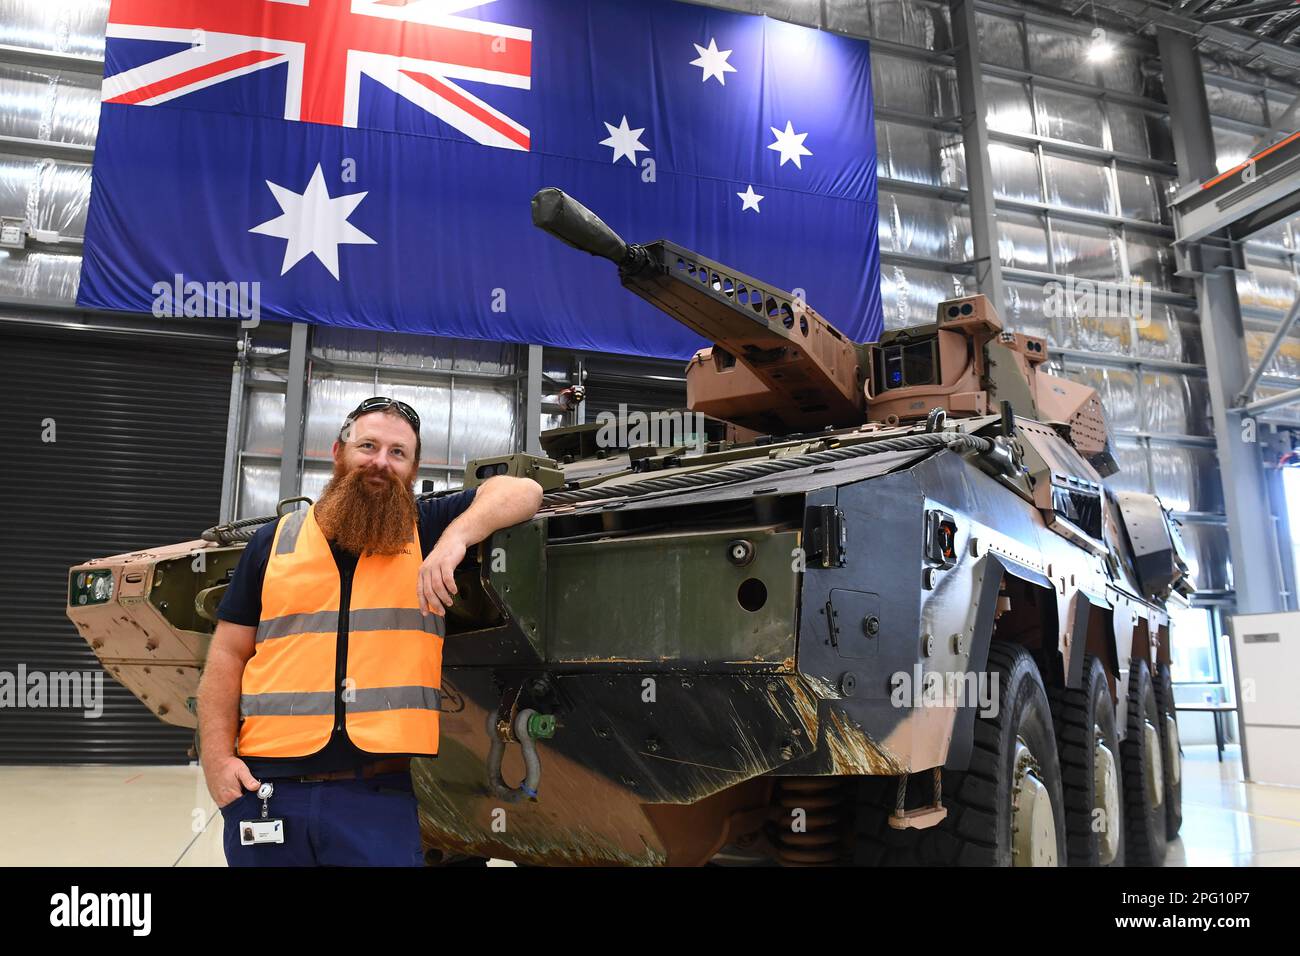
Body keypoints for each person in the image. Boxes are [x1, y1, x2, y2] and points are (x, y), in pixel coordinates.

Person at [198, 396, 543, 866]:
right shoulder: (273, 543)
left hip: (376, 795)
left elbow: (522, 491)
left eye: (398, 453)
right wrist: (216, 760)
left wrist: (454, 541)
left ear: (412, 468)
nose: (380, 462)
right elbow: (227, 655)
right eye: (368, 446)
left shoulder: (422, 528)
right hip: (268, 790)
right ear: (338, 453)